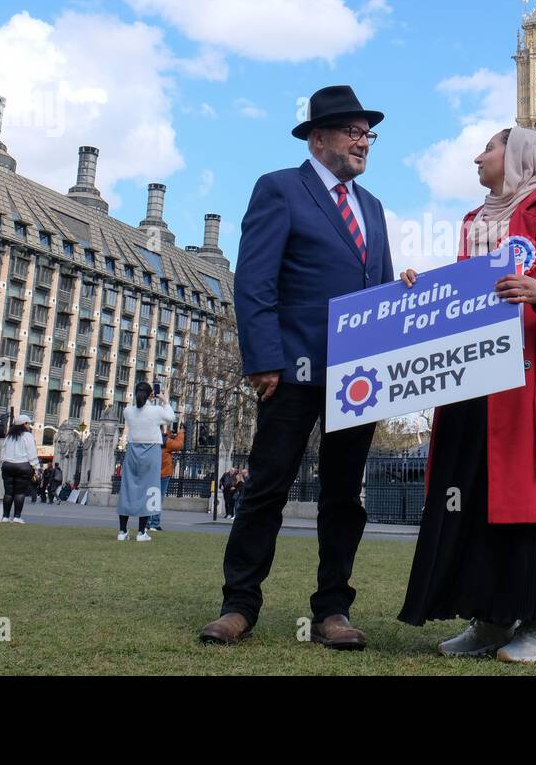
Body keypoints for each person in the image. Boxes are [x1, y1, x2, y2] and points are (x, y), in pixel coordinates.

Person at [200, 85, 403, 651]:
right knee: (267, 489)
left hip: (358, 378)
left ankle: (332, 611)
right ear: (319, 138)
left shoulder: (374, 208)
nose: (363, 142)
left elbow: (379, 290)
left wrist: (403, 303)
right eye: (352, 132)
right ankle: (238, 606)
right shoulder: (280, 189)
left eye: (368, 134)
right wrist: (263, 359)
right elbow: (255, 280)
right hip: (292, 371)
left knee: (344, 498)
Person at [397, 125, 536, 663]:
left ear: (517, 156)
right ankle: (490, 620)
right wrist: (425, 290)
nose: (477, 156)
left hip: (533, 379)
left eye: (488, 148)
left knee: (533, 501)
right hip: (474, 383)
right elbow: (467, 293)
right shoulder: (473, 222)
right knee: (475, 497)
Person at [118, 382, 175, 541]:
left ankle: (123, 531)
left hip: (132, 451)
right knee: (150, 490)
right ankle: (142, 532)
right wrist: (164, 401)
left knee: (128, 488)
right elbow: (171, 417)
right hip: (151, 451)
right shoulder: (156, 411)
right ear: (152, 395)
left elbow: (138, 409)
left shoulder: (127, 411)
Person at [0, 414, 39, 523]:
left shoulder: (9, 436)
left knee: (8, 492)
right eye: (28, 423)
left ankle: (5, 516)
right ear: (24, 424)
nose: (29, 426)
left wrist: (4, 462)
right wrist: (36, 467)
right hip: (22, 466)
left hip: (7, 465)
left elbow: (3, 451)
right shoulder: (28, 436)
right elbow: (32, 453)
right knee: (19, 493)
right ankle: (17, 516)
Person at [151, 422, 184, 531]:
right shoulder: (165, 442)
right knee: (158, 498)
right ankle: (154, 523)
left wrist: (168, 434)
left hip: (151, 473)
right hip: (163, 473)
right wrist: (181, 433)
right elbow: (178, 445)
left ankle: (146, 522)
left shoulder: (152, 439)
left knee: (150, 498)